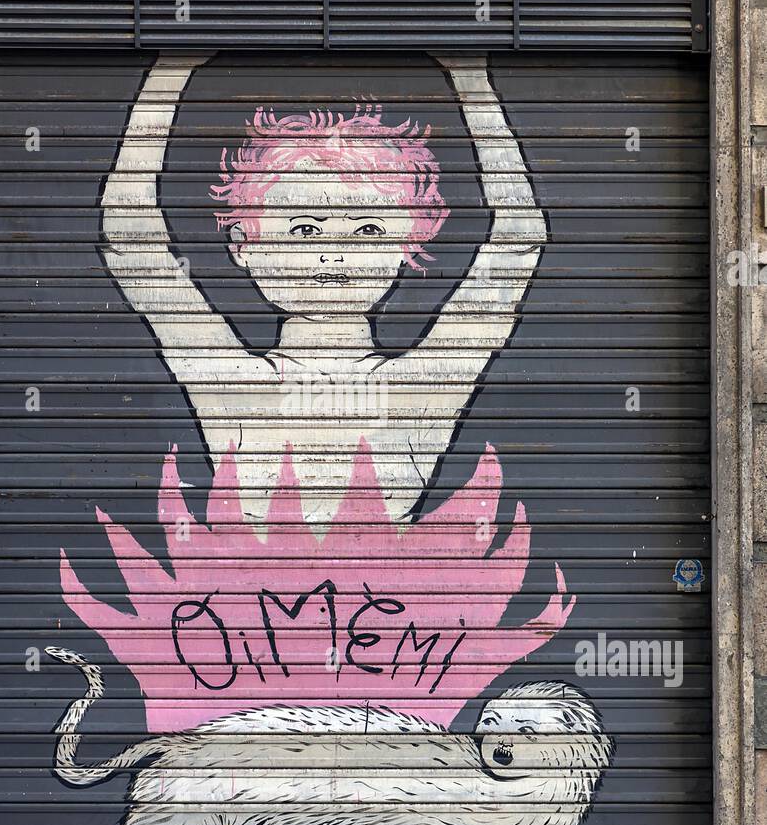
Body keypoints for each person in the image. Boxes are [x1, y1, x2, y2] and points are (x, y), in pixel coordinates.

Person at [101, 54, 546, 528]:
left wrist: (472, 78)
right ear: (244, 246)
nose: (334, 254)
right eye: (305, 229)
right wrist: (168, 69)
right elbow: (131, 238)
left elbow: (519, 238)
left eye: (368, 229)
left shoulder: (420, 387)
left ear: (408, 244)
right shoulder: (230, 381)